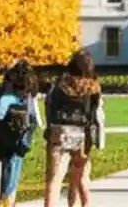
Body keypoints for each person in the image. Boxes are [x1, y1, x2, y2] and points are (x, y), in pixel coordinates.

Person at [43, 50, 102, 207]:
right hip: (82, 135)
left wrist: (49, 128)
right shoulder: (93, 88)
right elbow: (95, 113)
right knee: (80, 177)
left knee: (54, 180)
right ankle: (82, 204)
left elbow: (49, 107)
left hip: (59, 132)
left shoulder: (60, 86)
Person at [0, 60, 40, 207]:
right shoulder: (26, 99)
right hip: (13, 147)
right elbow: (36, 122)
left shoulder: (2, 96)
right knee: (7, 193)